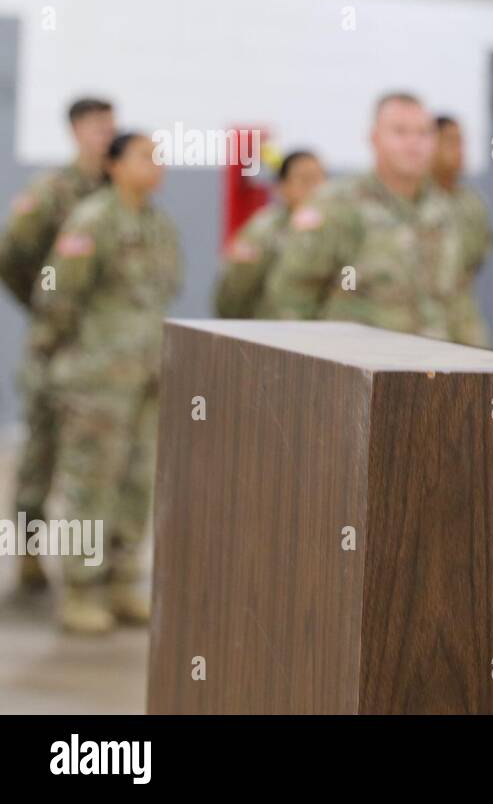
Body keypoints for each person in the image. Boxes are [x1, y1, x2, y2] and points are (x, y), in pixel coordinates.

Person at [37, 132, 181, 632]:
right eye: (144, 156)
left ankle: (121, 582)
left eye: (159, 157)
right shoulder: (93, 219)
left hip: (145, 376)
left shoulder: (159, 225)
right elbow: (55, 291)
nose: (156, 166)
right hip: (97, 379)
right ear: (115, 165)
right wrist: (67, 352)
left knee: (137, 481)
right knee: (89, 485)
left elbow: (167, 291)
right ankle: (80, 590)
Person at [0, 97, 115, 591]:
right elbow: (13, 255)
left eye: (110, 126)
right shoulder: (52, 190)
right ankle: (26, 550)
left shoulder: (117, 190)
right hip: (55, 343)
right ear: (75, 130)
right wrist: (43, 302)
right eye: (95, 127)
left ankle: (101, 562)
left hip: (101, 349)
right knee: (39, 451)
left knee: (95, 458)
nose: (104, 135)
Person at [261, 93, 459, 337]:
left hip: (432, 364)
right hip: (357, 363)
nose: (414, 143)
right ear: (374, 139)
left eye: (423, 133)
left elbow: (456, 300)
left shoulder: (445, 210)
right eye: (400, 132)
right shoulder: (337, 206)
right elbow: (291, 300)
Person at [213, 150, 325, 318]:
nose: (314, 188)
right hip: (275, 330)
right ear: (283, 187)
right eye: (304, 180)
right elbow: (233, 297)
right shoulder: (263, 231)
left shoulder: (340, 230)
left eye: (318, 179)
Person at [431, 115, 492, 346]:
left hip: (463, 321)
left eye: (461, 142)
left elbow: (476, 260)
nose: (459, 150)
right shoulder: (412, 203)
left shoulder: (473, 204)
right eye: (450, 141)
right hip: (416, 326)